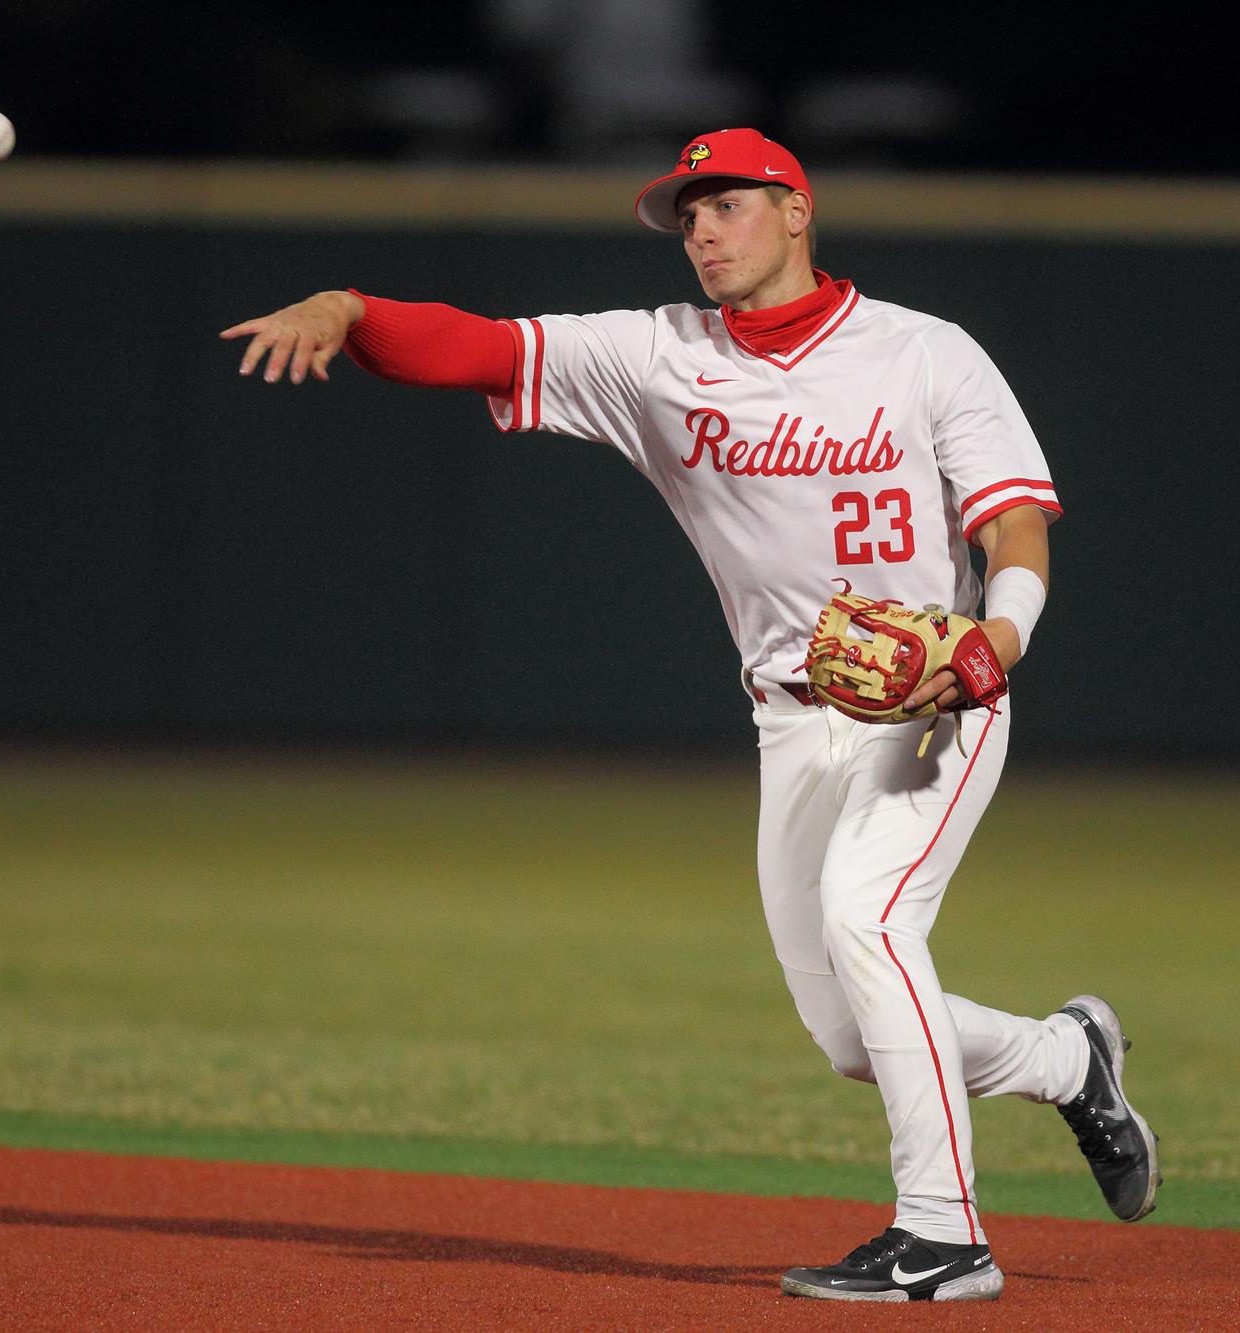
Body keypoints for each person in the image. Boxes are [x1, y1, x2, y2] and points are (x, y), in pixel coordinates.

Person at [221, 127, 1158, 1304]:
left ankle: (943, 1235)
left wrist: (995, 640)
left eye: (723, 205)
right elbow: (473, 348)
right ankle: (1067, 1059)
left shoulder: (926, 354)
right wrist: (348, 306)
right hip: (788, 719)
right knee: (846, 1035)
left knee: (871, 927)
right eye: (686, 215)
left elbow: (1014, 523)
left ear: (795, 210)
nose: (700, 232)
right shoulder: (653, 357)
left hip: (934, 701)